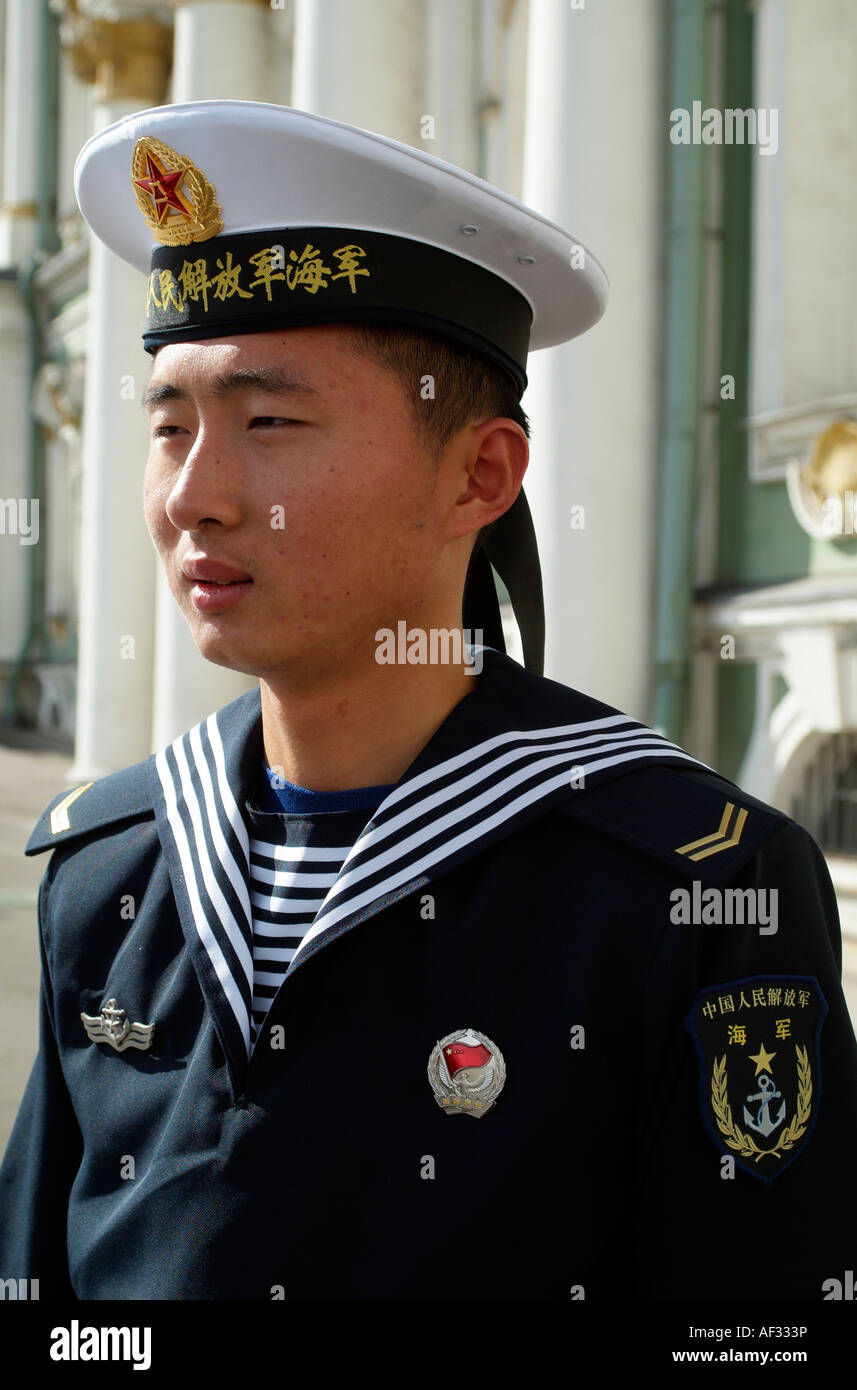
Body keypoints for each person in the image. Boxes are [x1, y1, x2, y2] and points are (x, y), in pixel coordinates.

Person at [1, 99, 855, 1302]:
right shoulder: (112, 874)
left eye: (270, 421)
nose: (196, 494)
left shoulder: (691, 896)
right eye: (171, 425)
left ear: (481, 474)